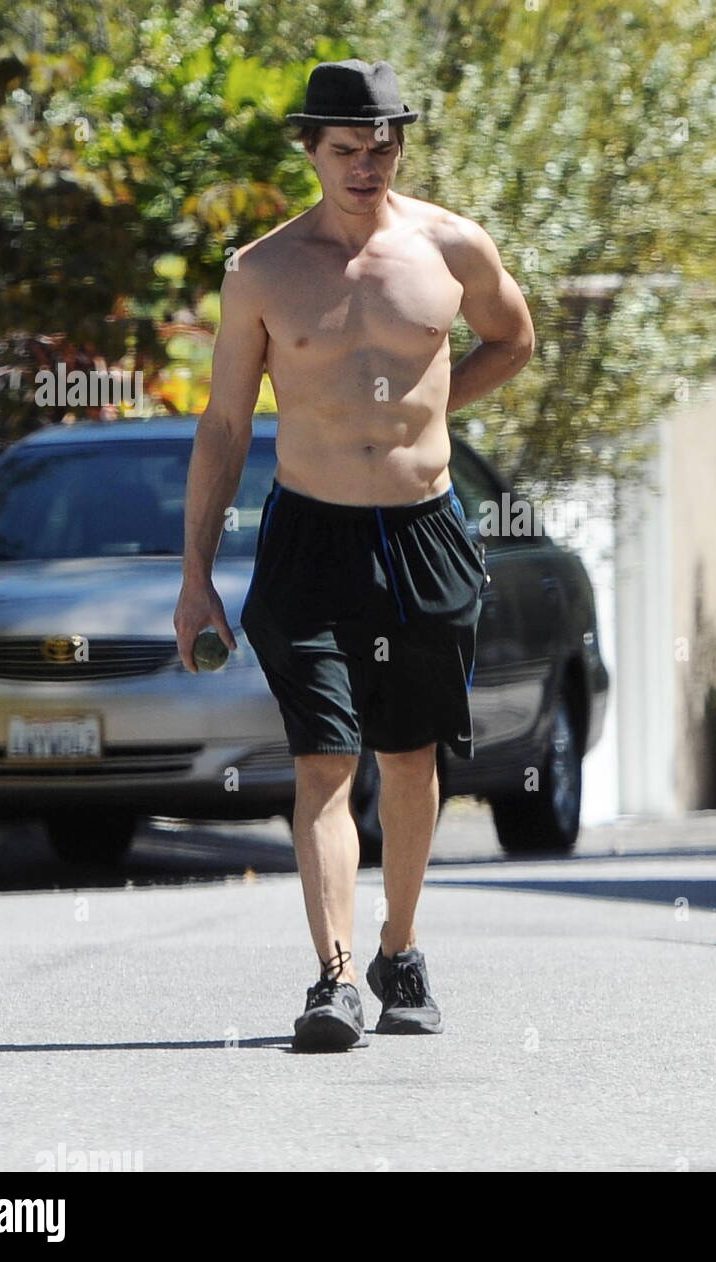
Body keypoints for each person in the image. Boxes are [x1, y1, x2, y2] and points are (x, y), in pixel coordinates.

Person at [174, 59, 534, 1051]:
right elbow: (221, 425)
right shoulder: (261, 272)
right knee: (324, 759)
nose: (367, 166)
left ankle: (399, 948)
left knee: (410, 755)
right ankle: (332, 978)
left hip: (423, 532)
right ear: (310, 150)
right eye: (346, 150)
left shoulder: (451, 247)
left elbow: (513, 338)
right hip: (311, 537)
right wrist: (195, 573)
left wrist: (431, 418)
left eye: (383, 147)